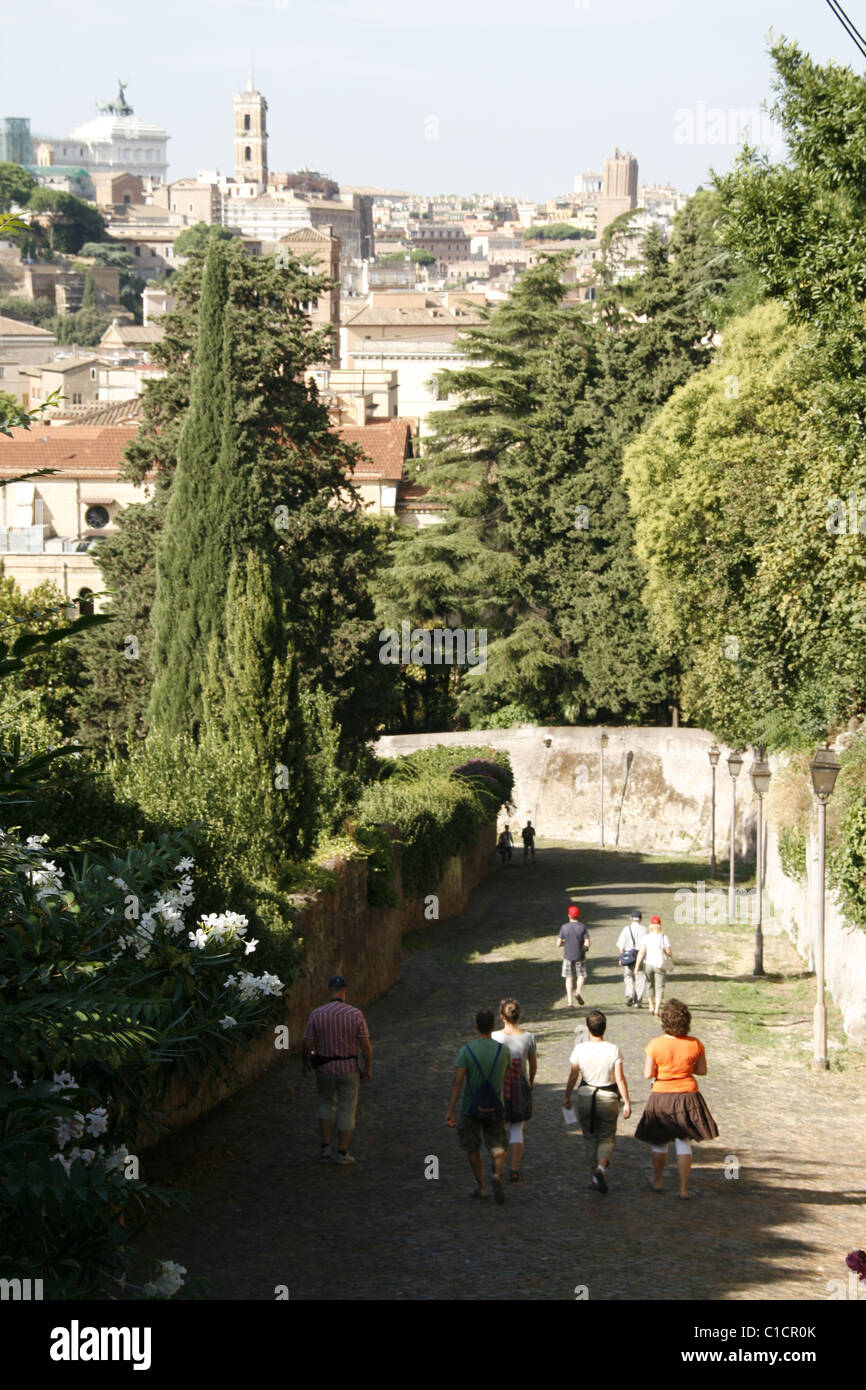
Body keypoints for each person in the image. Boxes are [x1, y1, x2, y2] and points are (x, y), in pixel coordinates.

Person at [635, 998, 718, 1199]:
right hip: (687, 1096)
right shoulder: (695, 1044)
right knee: (684, 1142)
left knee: (659, 1143)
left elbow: (648, 1073)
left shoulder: (655, 1045)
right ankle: (683, 1188)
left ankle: (657, 1180)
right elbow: (702, 1070)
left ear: (664, 1020)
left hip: (662, 1095)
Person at [302, 975, 372, 1165]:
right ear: (344, 991)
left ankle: (325, 1148)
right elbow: (365, 1045)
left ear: (329, 990)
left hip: (324, 1068)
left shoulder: (317, 1013)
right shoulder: (355, 1014)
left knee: (325, 1104)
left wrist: (305, 1064)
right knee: (347, 1109)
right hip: (349, 1068)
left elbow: (307, 1043)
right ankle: (342, 1152)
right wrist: (368, 1068)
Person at [446, 1008, 511, 1203]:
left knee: (472, 1147)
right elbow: (505, 1078)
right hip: (495, 1105)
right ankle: (497, 1175)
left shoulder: (466, 1051)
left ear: (476, 1026)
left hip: (471, 1108)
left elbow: (458, 1083)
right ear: (493, 1026)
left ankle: (481, 1186)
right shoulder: (503, 1050)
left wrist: (450, 1110)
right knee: (498, 1145)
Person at [564, 1008, 631, 1193]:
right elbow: (620, 1078)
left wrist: (567, 1095)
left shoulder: (579, 1049)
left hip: (586, 1096)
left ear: (588, 1028)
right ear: (604, 1027)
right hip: (609, 1097)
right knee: (607, 1136)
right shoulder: (613, 1049)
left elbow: (573, 1075)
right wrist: (626, 1101)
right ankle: (601, 1169)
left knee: (589, 1137)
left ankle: (595, 1176)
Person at [492, 997, 537, 1182]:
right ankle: (514, 1169)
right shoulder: (528, 1038)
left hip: (499, 1087)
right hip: (520, 1087)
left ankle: (497, 1167)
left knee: (499, 1129)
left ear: (502, 1016)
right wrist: (531, 1081)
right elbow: (533, 1064)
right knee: (517, 1129)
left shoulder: (495, 1037)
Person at [635, 914, 673, 1016]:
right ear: (660, 925)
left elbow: (642, 952)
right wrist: (669, 958)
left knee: (649, 985)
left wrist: (637, 966)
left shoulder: (646, 937)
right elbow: (669, 952)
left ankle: (651, 1006)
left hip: (648, 964)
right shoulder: (664, 938)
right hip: (660, 964)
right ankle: (657, 1009)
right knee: (660, 987)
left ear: (650, 926)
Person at [557, 904, 590, 1007]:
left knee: (569, 977)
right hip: (579, 955)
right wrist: (584, 948)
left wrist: (564, 943)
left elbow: (558, 943)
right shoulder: (582, 927)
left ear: (569, 915)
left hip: (568, 956)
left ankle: (570, 1001)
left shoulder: (564, 927)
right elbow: (587, 942)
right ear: (578, 915)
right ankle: (578, 992)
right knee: (581, 975)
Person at [617, 910, 648, 1009]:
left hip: (628, 956)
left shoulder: (626, 929)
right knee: (640, 978)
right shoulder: (645, 930)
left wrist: (622, 957)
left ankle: (630, 994)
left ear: (630, 918)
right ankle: (638, 1002)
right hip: (640, 956)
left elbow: (621, 945)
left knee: (628, 976)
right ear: (641, 919)